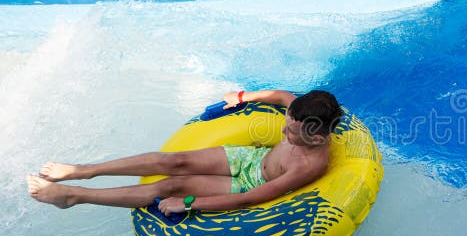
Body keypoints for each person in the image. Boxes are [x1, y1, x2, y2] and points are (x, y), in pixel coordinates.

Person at [26, 89, 342, 214]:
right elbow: (282, 95)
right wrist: (243, 96)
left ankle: (75, 195)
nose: (284, 132)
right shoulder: (301, 115)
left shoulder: (309, 166)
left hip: (251, 183)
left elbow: (253, 198)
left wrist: (190, 203)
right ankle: (86, 169)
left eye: (291, 133)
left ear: (316, 138)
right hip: (252, 159)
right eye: (286, 124)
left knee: (170, 186)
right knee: (174, 161)